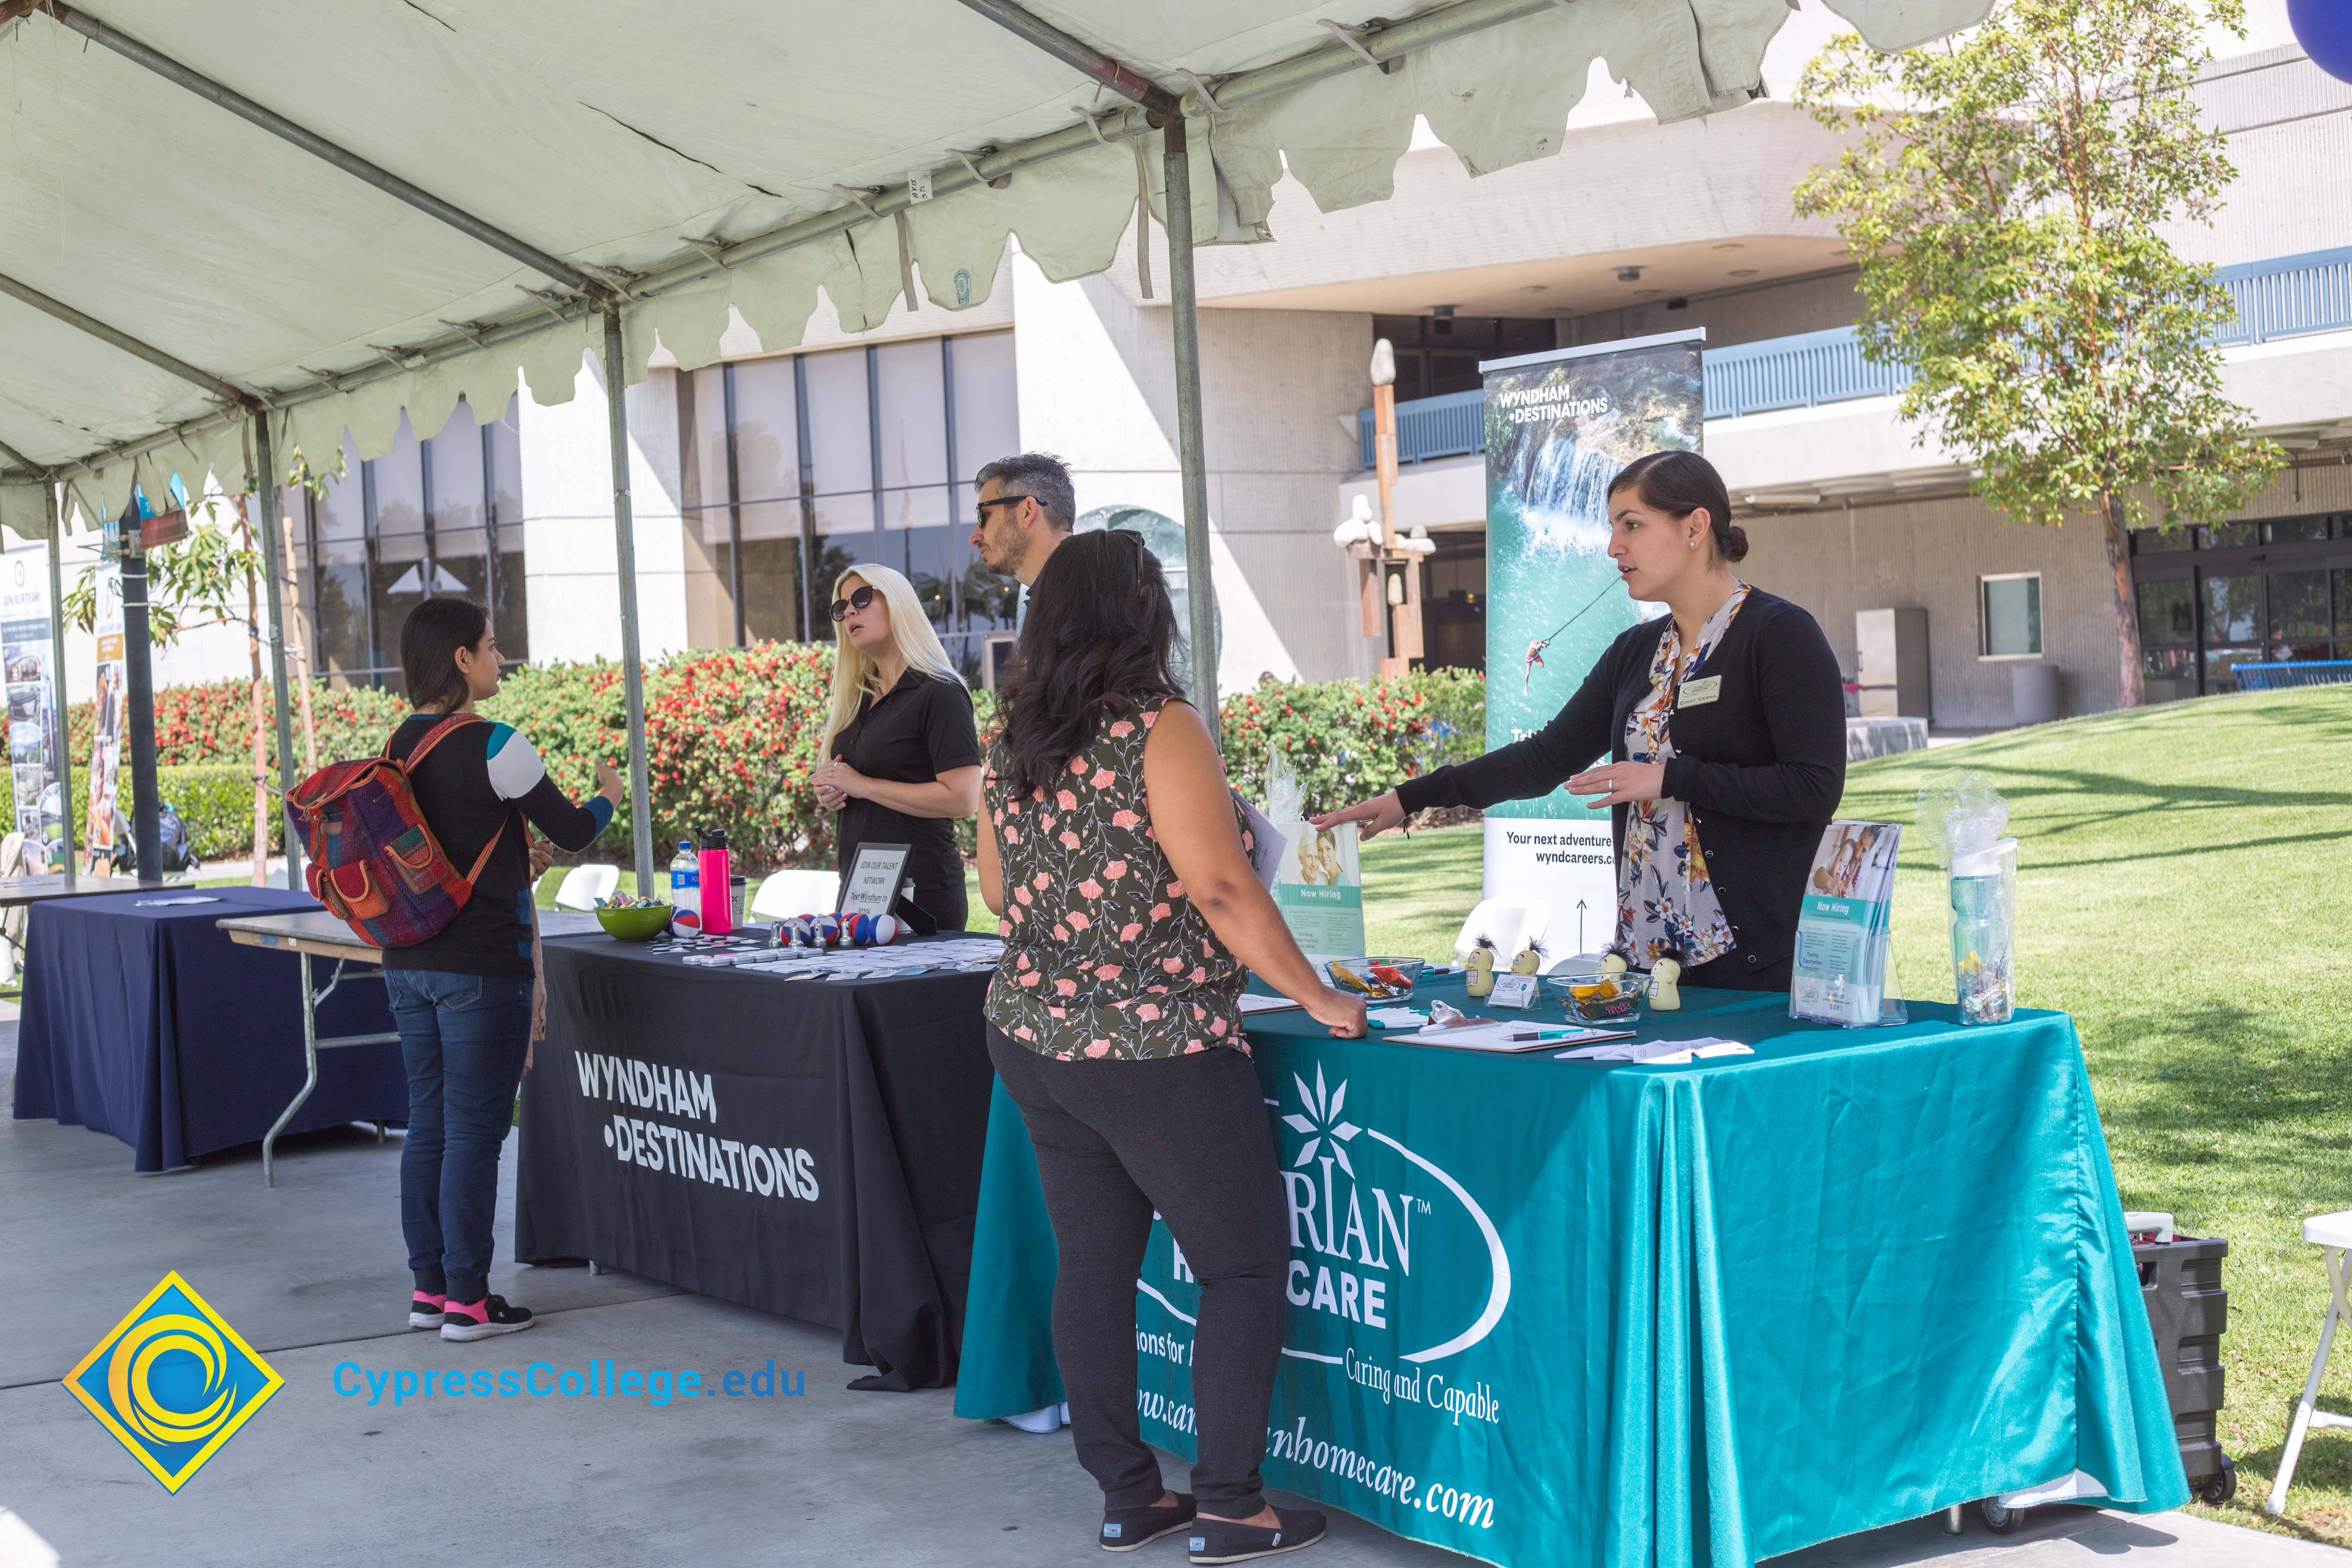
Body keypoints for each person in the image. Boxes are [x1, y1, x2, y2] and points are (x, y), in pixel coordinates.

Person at [976, 529, 1365, 1564]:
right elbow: (1223, 887)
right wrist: (1318, 994)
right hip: (1155, 1044)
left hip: (1035, 1034)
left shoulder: (1012, 739)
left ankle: (1128, 1496)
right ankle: (1232, 1504)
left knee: (1094, 1268)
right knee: (1241, 1267)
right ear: (1144, 613)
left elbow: (1000, 893)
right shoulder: (1159, 725)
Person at [1314, 450, 1844, 991]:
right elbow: (1543, 760)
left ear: (1695, 527)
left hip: (1757, 964)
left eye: (1632, 525)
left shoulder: (1781, 635)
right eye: (1613, 527)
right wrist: (1411, 797)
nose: (1614, 547)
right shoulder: (1635, 651)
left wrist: (1671, 778)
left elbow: (1814, 788)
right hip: (1647, 962)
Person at [384, 597, 620, 1342]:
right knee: (475, 1132)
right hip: (483, 966)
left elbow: (455, 843)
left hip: (408, 961)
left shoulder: (397, 745)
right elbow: (573, 831)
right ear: (461, 659)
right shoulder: (496, 742)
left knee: (429, 1121)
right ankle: (470, 1301)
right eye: (490, 646)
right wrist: (610, 796)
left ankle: (431, 1291)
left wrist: (518, 856)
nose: (500, 658)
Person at [811, 564, 982, 933]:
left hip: (921, 893)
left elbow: (963, 800)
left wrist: (862, 785)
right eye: (842, 608)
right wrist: (833, 790)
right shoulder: (856, 697)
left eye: (861, 599)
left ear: (898, 602)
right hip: (859, 894)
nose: (850, 612)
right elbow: (859, 779)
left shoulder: (940, 691)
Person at [969, 450, 1076, 586]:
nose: (974, 538)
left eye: (984, 516)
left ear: (1027, 511)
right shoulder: (1084, 583)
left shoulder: (1093, 590)